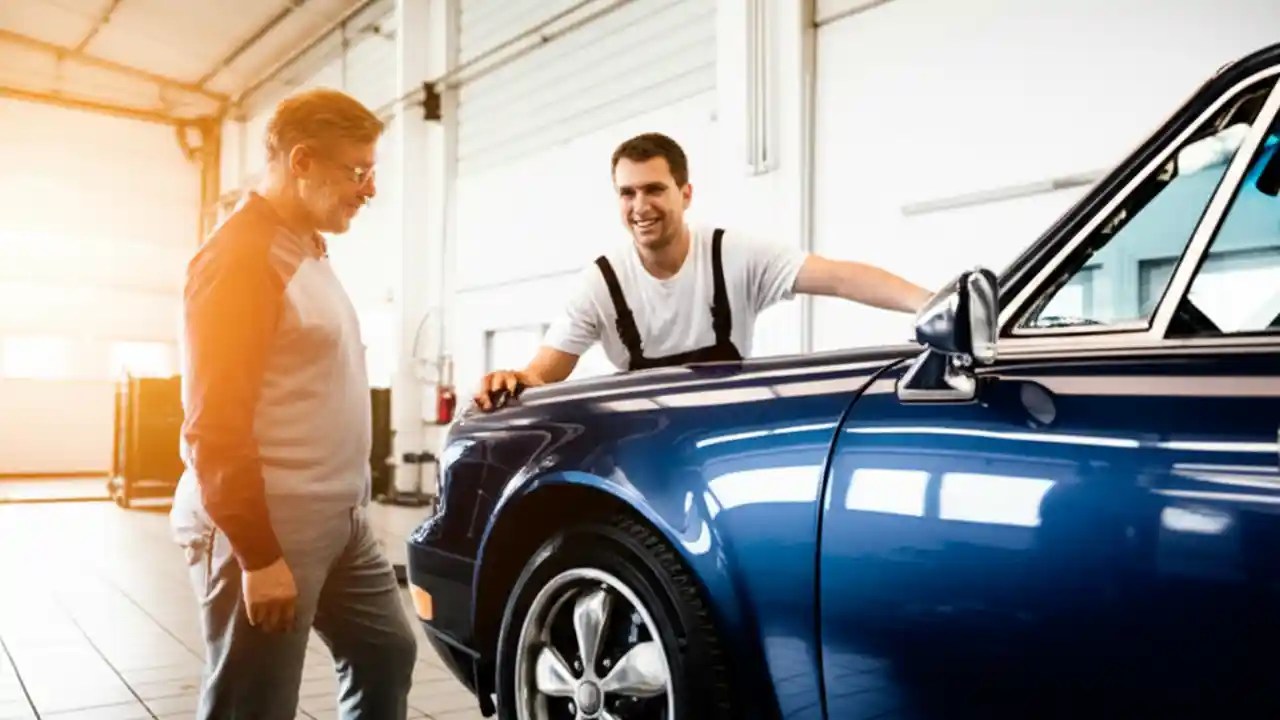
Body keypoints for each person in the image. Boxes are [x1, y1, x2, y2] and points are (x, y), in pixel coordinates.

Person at [169, 88, 417, 719]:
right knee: (251, 702)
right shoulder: (239, 258)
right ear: (301, 161)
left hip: (340, 515)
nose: (369, 190)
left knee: (384, 651)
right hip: (269, 519)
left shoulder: (306, 245)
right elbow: (213, 424)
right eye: (357, 172)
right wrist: (258, 554)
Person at [474, 132, 933, 409]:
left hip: (727, 433)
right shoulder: (602, 282)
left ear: (685, 193)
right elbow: (543, 374)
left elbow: (839, 277)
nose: (640, 207)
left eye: (654, 189)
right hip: (645, 447)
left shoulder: (732, 255)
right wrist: (512, 380)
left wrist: (931, 304)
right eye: (626, 193)